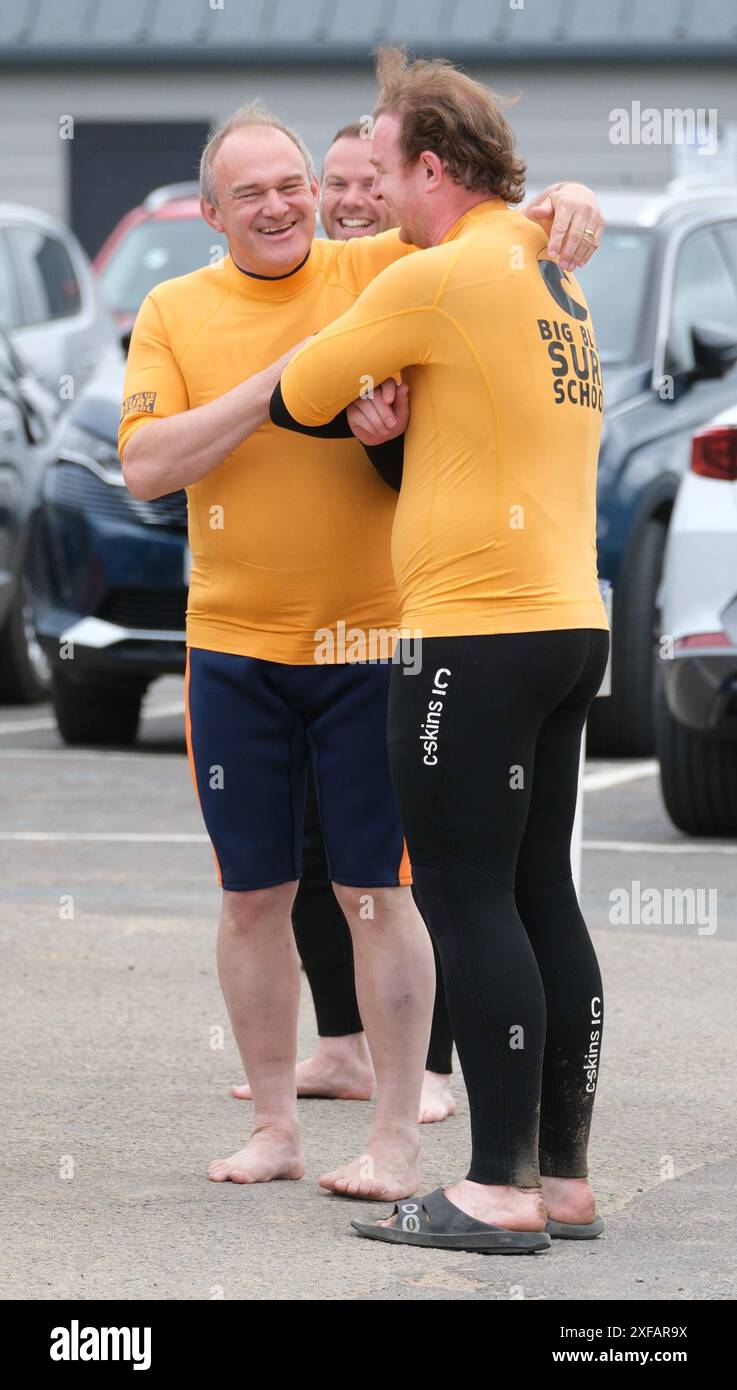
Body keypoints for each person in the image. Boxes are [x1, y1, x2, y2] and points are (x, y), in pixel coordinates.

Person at [118, 96, 604, 1204]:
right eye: (252, 192)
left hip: (374, 639)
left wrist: (569, 200)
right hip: (234, 643)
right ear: (210, 212)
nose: (285, 205)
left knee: (380, 896)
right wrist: (275, 388)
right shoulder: (172, 308)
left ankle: (395, 1141)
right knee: (251, 896)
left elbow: (502, 224)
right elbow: (147, 465)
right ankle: (278, 1125)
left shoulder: (375, 266)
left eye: (298, 181)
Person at [275, 48, 609, 1251]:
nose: (362, 182)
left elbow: (303, 392)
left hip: (472, 633)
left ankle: (493, 1190)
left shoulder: (448, 270)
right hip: (567, 620)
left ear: (427, 166)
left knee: (465, 900)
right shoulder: (548, 271)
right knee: (536, 893)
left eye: (378, 156)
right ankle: (560, 1178)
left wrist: (369, 381)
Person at [232, 119, 457, 1124]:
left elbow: (487, 223)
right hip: (257, 640)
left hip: (396, 622)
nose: (346, 197)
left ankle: (431, 1069)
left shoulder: (396, 273)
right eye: (335, 181)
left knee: (405, 864)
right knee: (310, 863)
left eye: (368, 180)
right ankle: (336, 1046)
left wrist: (563, 197)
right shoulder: (205, 301)